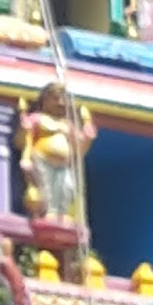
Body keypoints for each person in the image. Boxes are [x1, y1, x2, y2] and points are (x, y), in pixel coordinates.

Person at [17, 82, 95, 222]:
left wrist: (87, 137)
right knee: (46, 188)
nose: (60, 103)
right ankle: (48, 212)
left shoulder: (67, 124)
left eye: (63, 99)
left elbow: (79, 150)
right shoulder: (37, 118)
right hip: (42, 159)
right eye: (55, 98)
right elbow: (24, 140)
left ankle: (61, 213)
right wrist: (26, 155)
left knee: (67, 188)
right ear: (45, 100)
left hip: (64, 164)